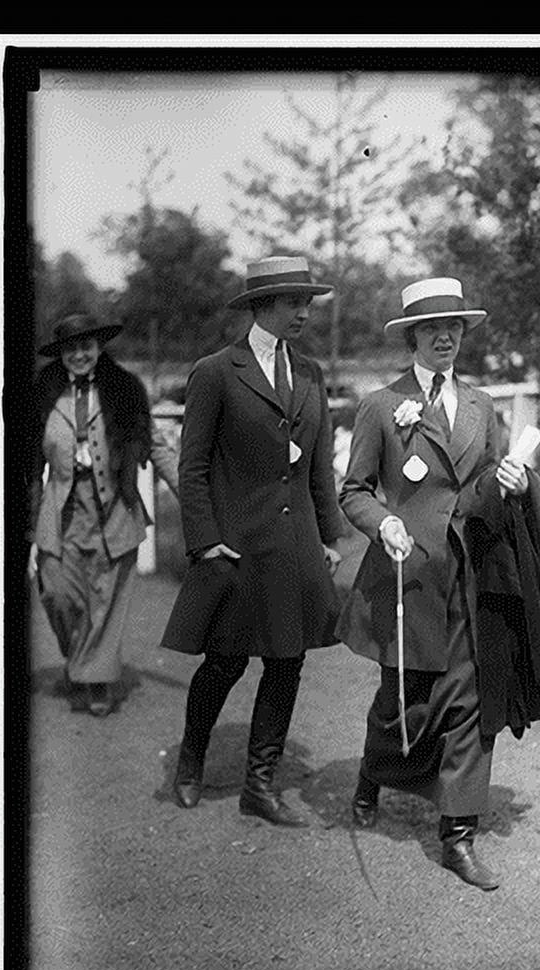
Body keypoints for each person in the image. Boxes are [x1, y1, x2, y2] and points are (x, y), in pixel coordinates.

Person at [336, 277, 530, 892]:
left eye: (454, 327)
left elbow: (477, 494)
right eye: (431, 328)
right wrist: (384, 521)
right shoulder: (380, 405)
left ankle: (458, 837)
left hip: (469, 575)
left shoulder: (481, 406)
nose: (445, 336)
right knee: (405, 699)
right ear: (412, 337)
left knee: (472, 700)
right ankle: (373, 772)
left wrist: (507, 484)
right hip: (407, 574)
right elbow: (354, 492)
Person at [160, 256, 344, 824]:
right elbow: (191, 469)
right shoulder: (216, 371)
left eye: (307, 303)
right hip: (237, 547)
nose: (303, 313)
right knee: (224, 662)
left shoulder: (311, 374)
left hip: (296, 544)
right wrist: (205, 541)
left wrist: (329, 536)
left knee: (287, 664)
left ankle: (259, 786)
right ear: (262, 307)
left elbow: (317, 467)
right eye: (293, 302)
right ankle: (190, 761)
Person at [29, 312, 179, 718]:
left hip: (114, 507)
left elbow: (153, 445)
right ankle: (81, 663)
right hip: (62, 510)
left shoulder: (124, 390)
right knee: (57, 594)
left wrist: (195, 498)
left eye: (87, 346)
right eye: (71, 348)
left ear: (99, 348)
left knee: (105, 600)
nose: (80, 355)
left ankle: (94, 681)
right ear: (61, 354)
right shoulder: (42, 391)